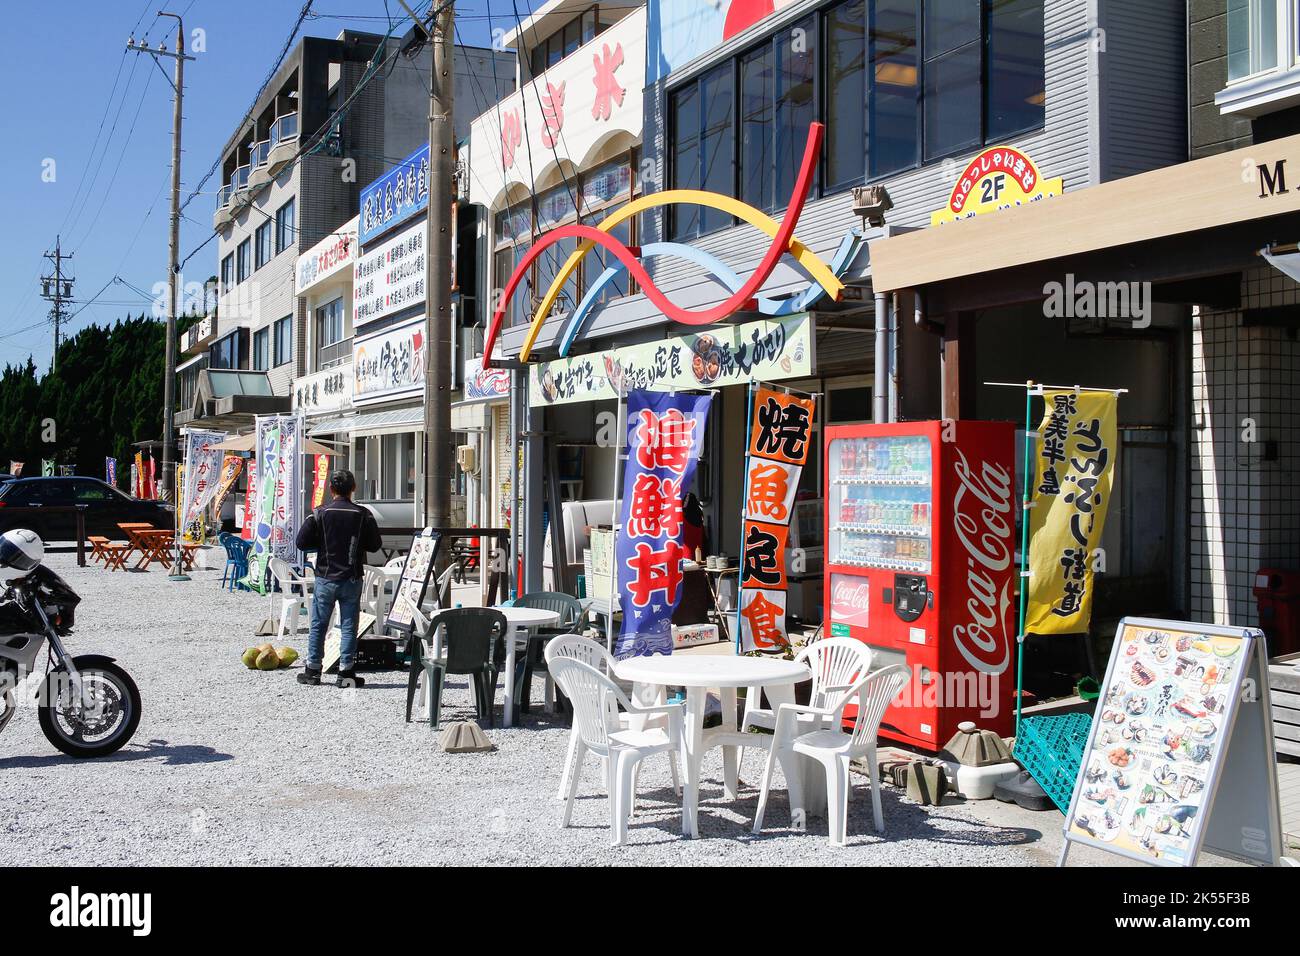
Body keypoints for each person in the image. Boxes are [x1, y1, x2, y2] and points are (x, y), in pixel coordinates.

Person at [294, 470, 382, 688]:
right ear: (353, 488)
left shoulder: (319, 513)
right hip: (351, 576)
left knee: (318, 624)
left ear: (331, 489)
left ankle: (313, 670)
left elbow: (301, 542)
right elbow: (375, 544)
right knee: (349, 624)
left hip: (325, 575)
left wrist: (322, 545)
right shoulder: (363, 514)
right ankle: (346, 672)